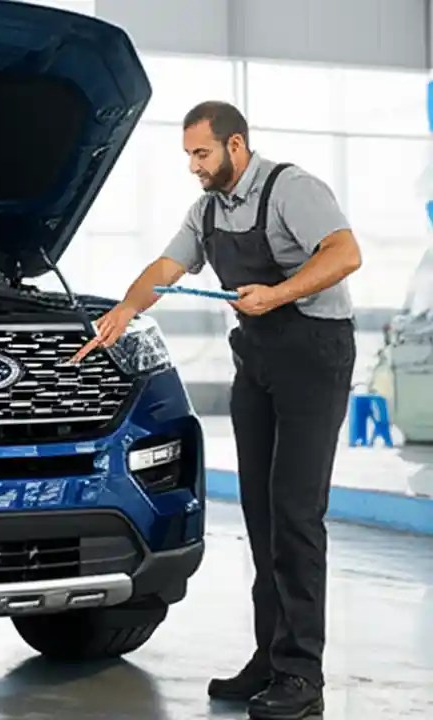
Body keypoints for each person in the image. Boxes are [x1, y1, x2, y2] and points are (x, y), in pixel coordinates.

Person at [71, 100, 362, 720]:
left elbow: (344, 254)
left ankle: (302, 677)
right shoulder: (206, 210)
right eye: (187, 156)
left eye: (201, 154)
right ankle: (270, 659)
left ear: (236, 146)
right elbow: (167, 266)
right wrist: (125, 311)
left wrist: (277, 293)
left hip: (314, 358)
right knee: (259, 512)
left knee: (296, 515)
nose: (193, 167)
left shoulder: (293, 188)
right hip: (257, 363)